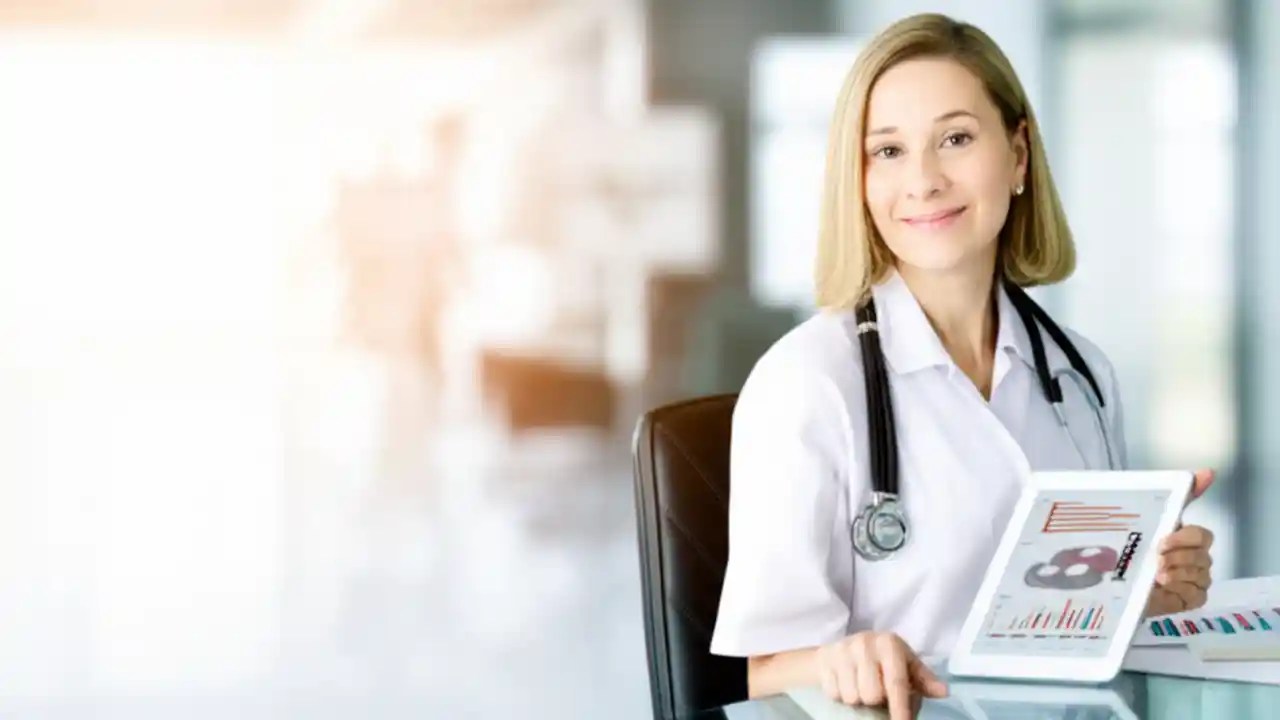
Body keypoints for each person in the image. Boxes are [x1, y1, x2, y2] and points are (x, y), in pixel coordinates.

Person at [708, 13, 1216, 717]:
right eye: (886, 151)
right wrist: (838, 659)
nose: (922, 180)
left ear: (1017, 154)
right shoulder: (806, 385)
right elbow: (760, 675)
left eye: (955, 139)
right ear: (856, 181)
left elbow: (1057, 624)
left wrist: (1140, 595)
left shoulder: (1082, 377)